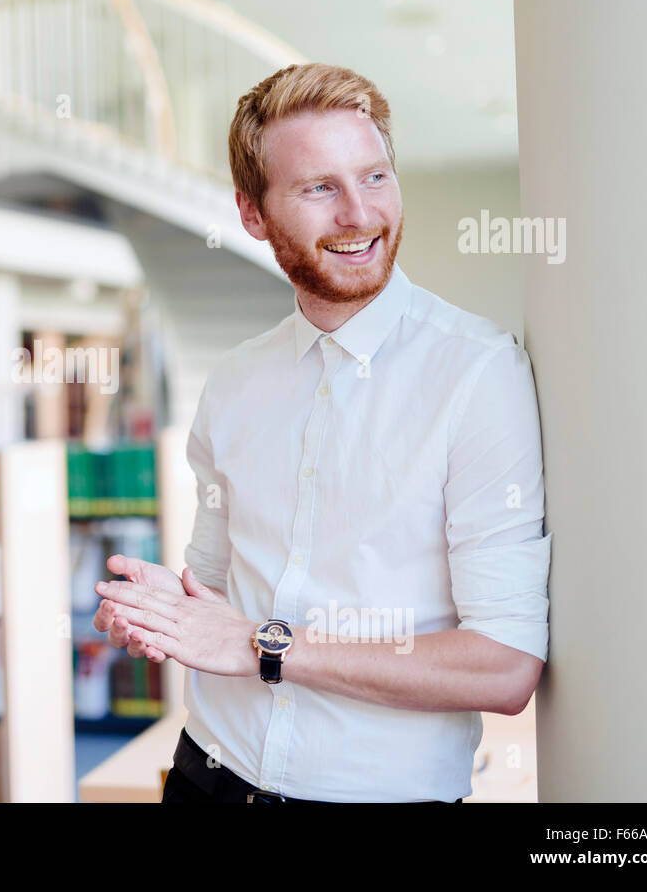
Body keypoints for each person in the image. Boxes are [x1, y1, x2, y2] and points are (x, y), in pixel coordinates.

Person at [93, 63, 551, 804]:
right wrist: (164, 613)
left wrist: (263, 648)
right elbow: (210, 584)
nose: (358, 214)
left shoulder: (479, 377)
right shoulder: (234, 382)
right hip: (206, 775)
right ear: (252, 213)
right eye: (319, 188)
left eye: (374, 177)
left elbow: (504, 667)